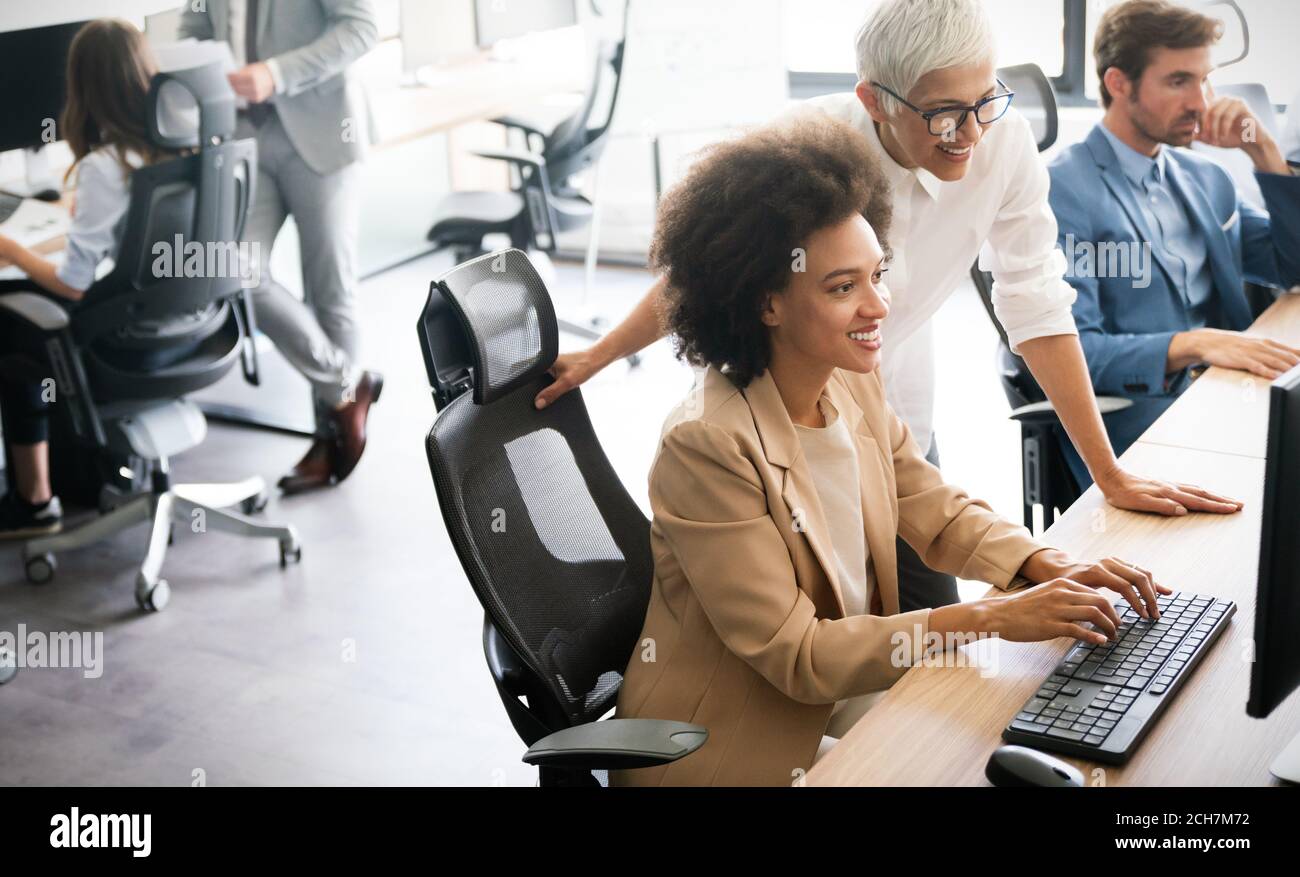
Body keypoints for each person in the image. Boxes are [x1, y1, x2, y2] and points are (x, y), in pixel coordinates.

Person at [530, 0, 1242, 615]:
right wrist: (599, 355)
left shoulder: (1002, 142)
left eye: (983, 102)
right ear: (876, 100)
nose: (968, 134)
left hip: (895, 405)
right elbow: (704, 274)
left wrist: (1107, 474)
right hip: (783, 413)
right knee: (813, 617)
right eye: (942, 114)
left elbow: (1036, 303)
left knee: (926, 611)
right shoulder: (806, 149)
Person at [611, 117, 1169, 787]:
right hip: (736, 742)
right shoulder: (705, 446)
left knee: (1050, 731)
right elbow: (799, 654)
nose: (880, 305)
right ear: (767, 303)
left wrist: (1041, 563)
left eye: (878, 274)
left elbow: (930, 505)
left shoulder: (850, 377)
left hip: (847, 694)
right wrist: (993, 615)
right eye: (843, 287)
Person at [1049, 0, 1300, 486]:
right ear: (1118, 84)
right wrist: (1193, 345)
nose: (1201, 103)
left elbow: (1290, 264)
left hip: (1232, 397)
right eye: (1178, 81)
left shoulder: (1204, 176)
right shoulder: (1063, 190)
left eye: (1204, 80)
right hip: (1143, 424)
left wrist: (1263, 151)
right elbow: (1076, 355)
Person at [177, 0, 383, 494]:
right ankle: (346, 389)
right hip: (243, 134)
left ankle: (329, 439)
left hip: (322, 130)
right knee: (235, 270)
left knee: (329, 290)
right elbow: (196, 27)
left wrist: (276, 72)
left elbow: (361, 27)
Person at [0, 20, 179, 539]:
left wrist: (11, 248)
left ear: (83, 86)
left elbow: (74, 285)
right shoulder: (175, 147)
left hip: (122, 349)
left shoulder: (104, 167)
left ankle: (34, 502)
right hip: (187, 331)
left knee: (13, 332)